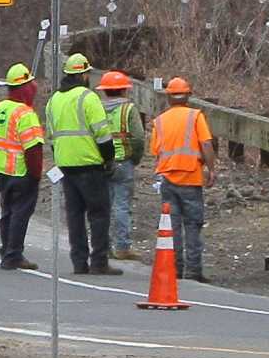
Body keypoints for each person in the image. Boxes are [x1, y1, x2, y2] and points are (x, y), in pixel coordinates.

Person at [45, 53, 121, 275]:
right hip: (89, 165)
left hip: (65, 165)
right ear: (84, 75)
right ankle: (99, 261)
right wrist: (109, 159)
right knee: (98, 213)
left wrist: (60, 157)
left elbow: (51, 135)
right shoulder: (88, 98)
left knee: (74, 215)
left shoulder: (54, 100)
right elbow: (103, 134)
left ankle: (79, 262)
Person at [151, 76, 216, 282]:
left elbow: (155, 151)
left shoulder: (159, 121)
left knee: (172, 227)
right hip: (191, 177)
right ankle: (193, 271)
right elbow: (206, 144)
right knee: (193, 225)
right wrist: (211, 169)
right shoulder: (195, 116)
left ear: (168, 97)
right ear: (188, 95)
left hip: (167, 179)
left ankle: (175, 269)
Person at [0, 64, 45, 270]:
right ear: (25, 87)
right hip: (21, 172)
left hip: (2, 172)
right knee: (20, 213)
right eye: (31, 84)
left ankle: (7, 251)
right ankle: (13, 255)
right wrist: (36, 174)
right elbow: (33, 149)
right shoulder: (25, 114)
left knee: (7, 213)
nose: (34, 88)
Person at [97, 71, 146, 261]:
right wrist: (135, 158)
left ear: (104, 91)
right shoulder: (129, 109)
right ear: (125, 90)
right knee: (121, 205)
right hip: (123, 162)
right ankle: (122, 247)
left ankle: (104, 246)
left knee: (104, 206)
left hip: (102, 162)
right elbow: (138, 137)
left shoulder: (97, 108)